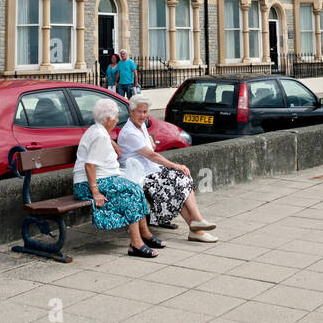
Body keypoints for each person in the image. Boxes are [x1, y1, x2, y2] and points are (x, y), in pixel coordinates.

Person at [118, 96, 218, 243]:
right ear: (131, 111)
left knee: (183, 177)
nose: (143, 115)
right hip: (140, 175)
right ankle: (197, 227)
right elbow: (151, 154)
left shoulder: (141, 125)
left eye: (145, 112)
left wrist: (151, 143)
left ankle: (197, 224)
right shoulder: (129, 132)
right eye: (139, 112)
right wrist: (174, 164)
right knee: (175, 180)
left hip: (151, 170)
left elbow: (151, 147)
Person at [73, 97, 163, 258]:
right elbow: (89, 165)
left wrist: (114, 144)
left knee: (134, 186)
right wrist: (95, 193)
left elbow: (103, 142)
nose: (116, 120)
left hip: (100, 179)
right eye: (115, 117)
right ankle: (136, 243)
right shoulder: (99, 135)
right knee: (131, 190)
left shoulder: (99, 131)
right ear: (108, 118)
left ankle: (145, 236)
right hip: (88, 184)